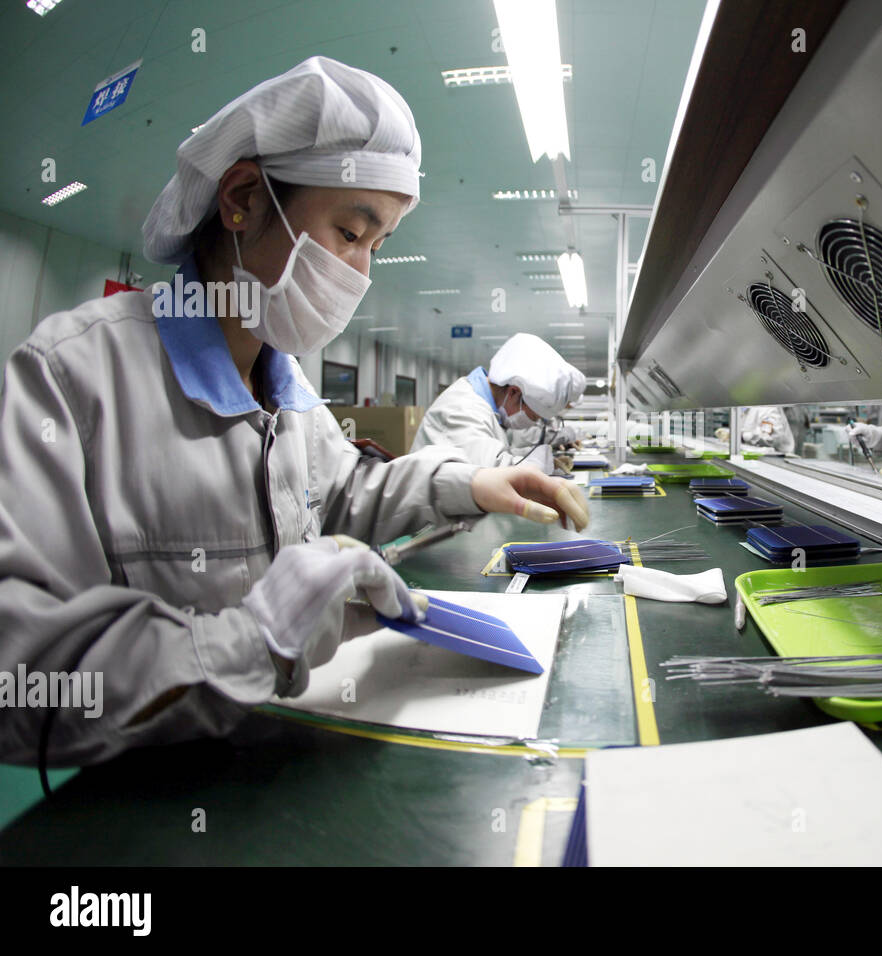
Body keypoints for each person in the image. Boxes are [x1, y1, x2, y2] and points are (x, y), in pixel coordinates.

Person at [0, 57, 588, 769]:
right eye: (349, 232)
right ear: (242, 197)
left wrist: (466, 485)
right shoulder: (73, 377)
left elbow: (342, 491)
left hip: (280, 754)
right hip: (148, 794)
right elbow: (23, 674)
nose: (363, 273)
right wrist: (258, 639)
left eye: (379, 245)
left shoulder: (285, 384)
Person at [411, 333, 585, 471]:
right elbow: (491, 473)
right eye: (534, 416)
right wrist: (542, 464)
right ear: (514, 392)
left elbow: (493, 454)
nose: (533, 423)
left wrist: (544, 461)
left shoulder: (487, 409)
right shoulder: (463, 410)